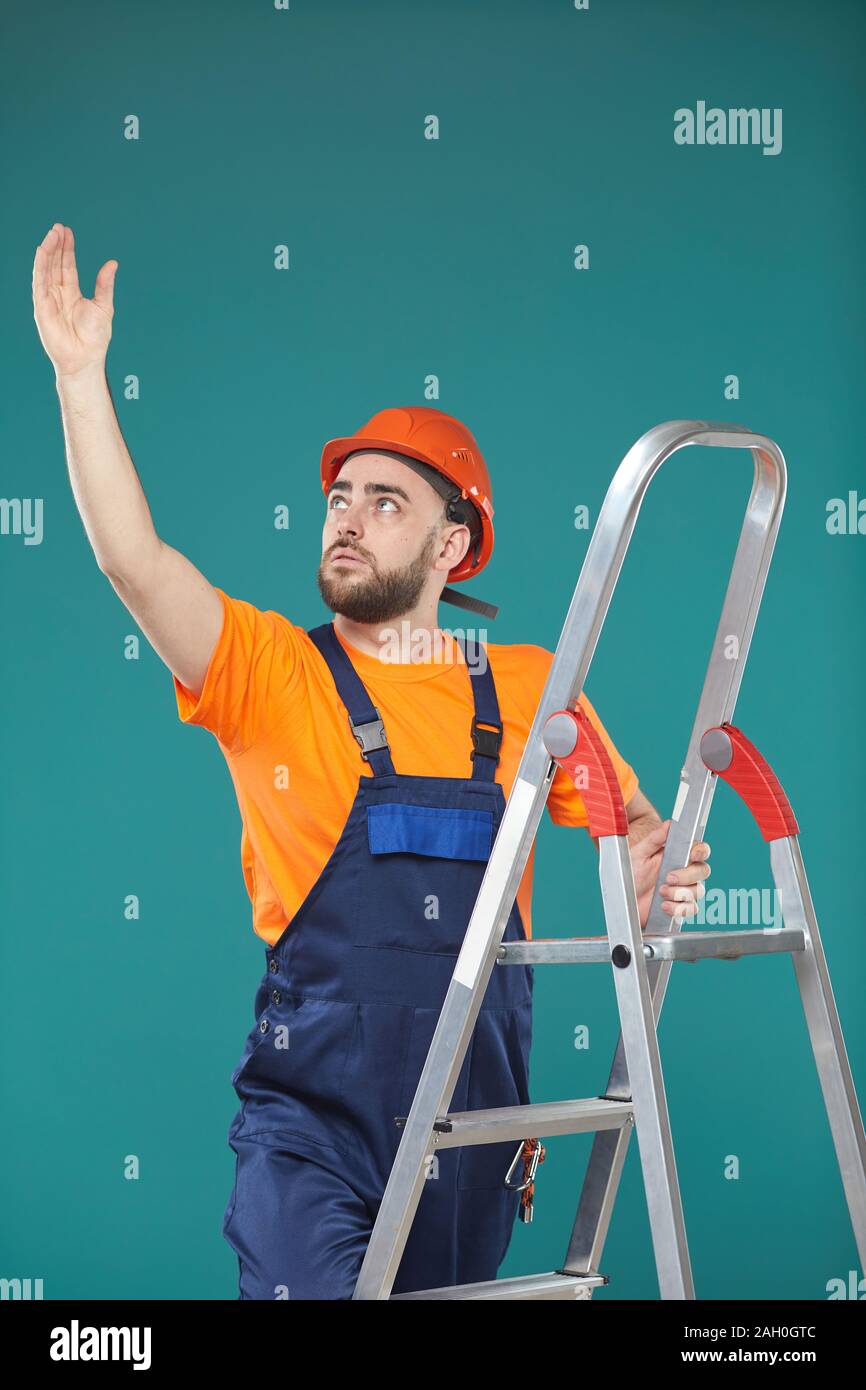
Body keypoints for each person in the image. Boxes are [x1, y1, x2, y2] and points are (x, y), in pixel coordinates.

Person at [32, 223, 712, 1300]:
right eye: (339, 499)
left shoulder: (531, 688)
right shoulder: (267, 670)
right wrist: (80, 380)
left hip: (476, 1133)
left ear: (452, 546)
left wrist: (644, 875)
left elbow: (634, 830)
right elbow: (133, 560)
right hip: (314, 1132)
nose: (347, 520)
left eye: (384, 502)